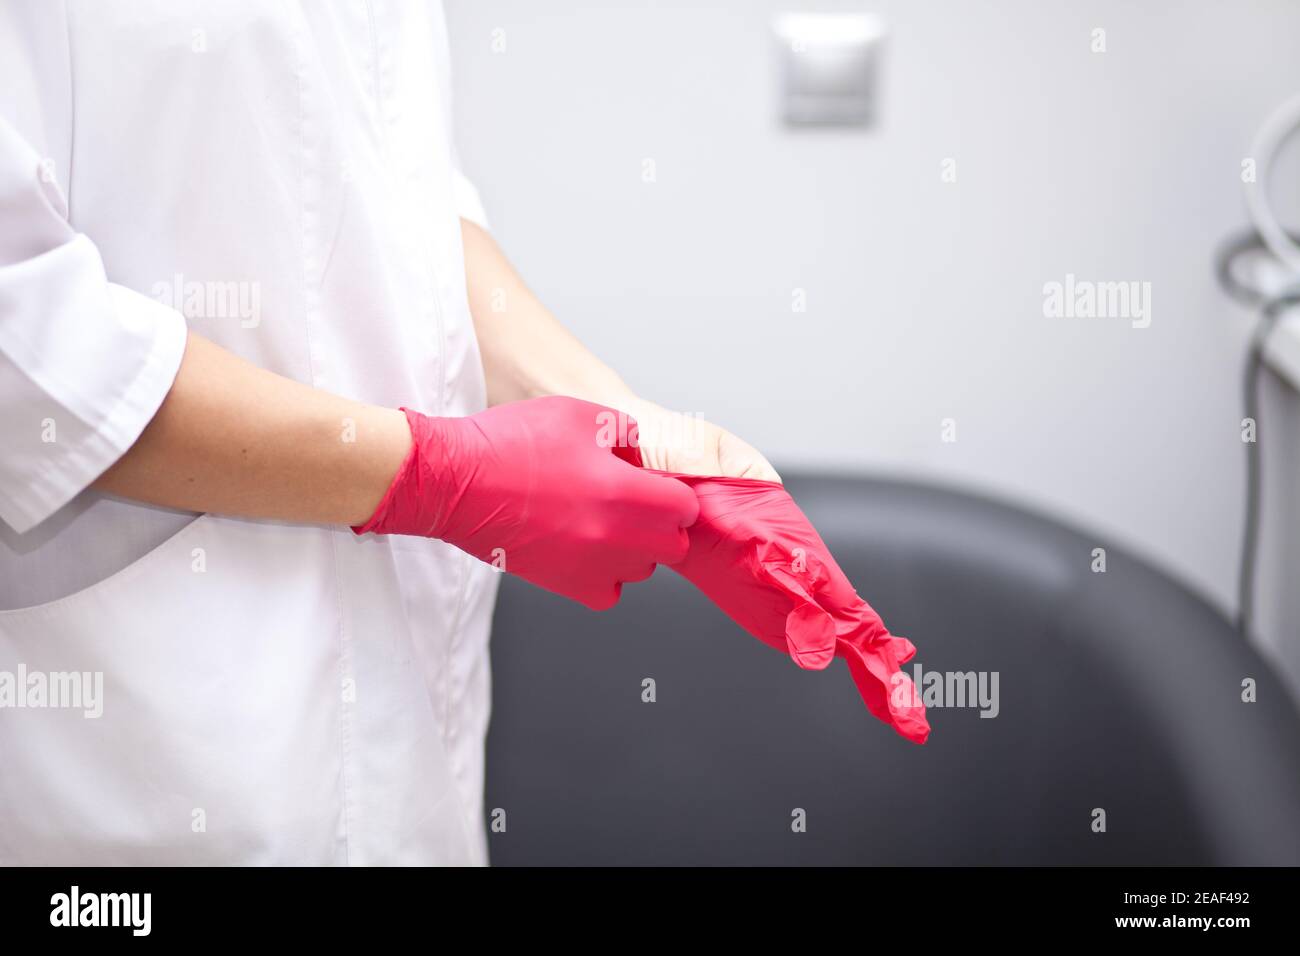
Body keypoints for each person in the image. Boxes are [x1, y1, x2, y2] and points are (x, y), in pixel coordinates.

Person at [0, 2, 776, 864]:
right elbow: (23, 334)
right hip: (133, 761)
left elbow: (399, 202)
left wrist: (631, 428)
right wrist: (441, 478)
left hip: (411, 728)